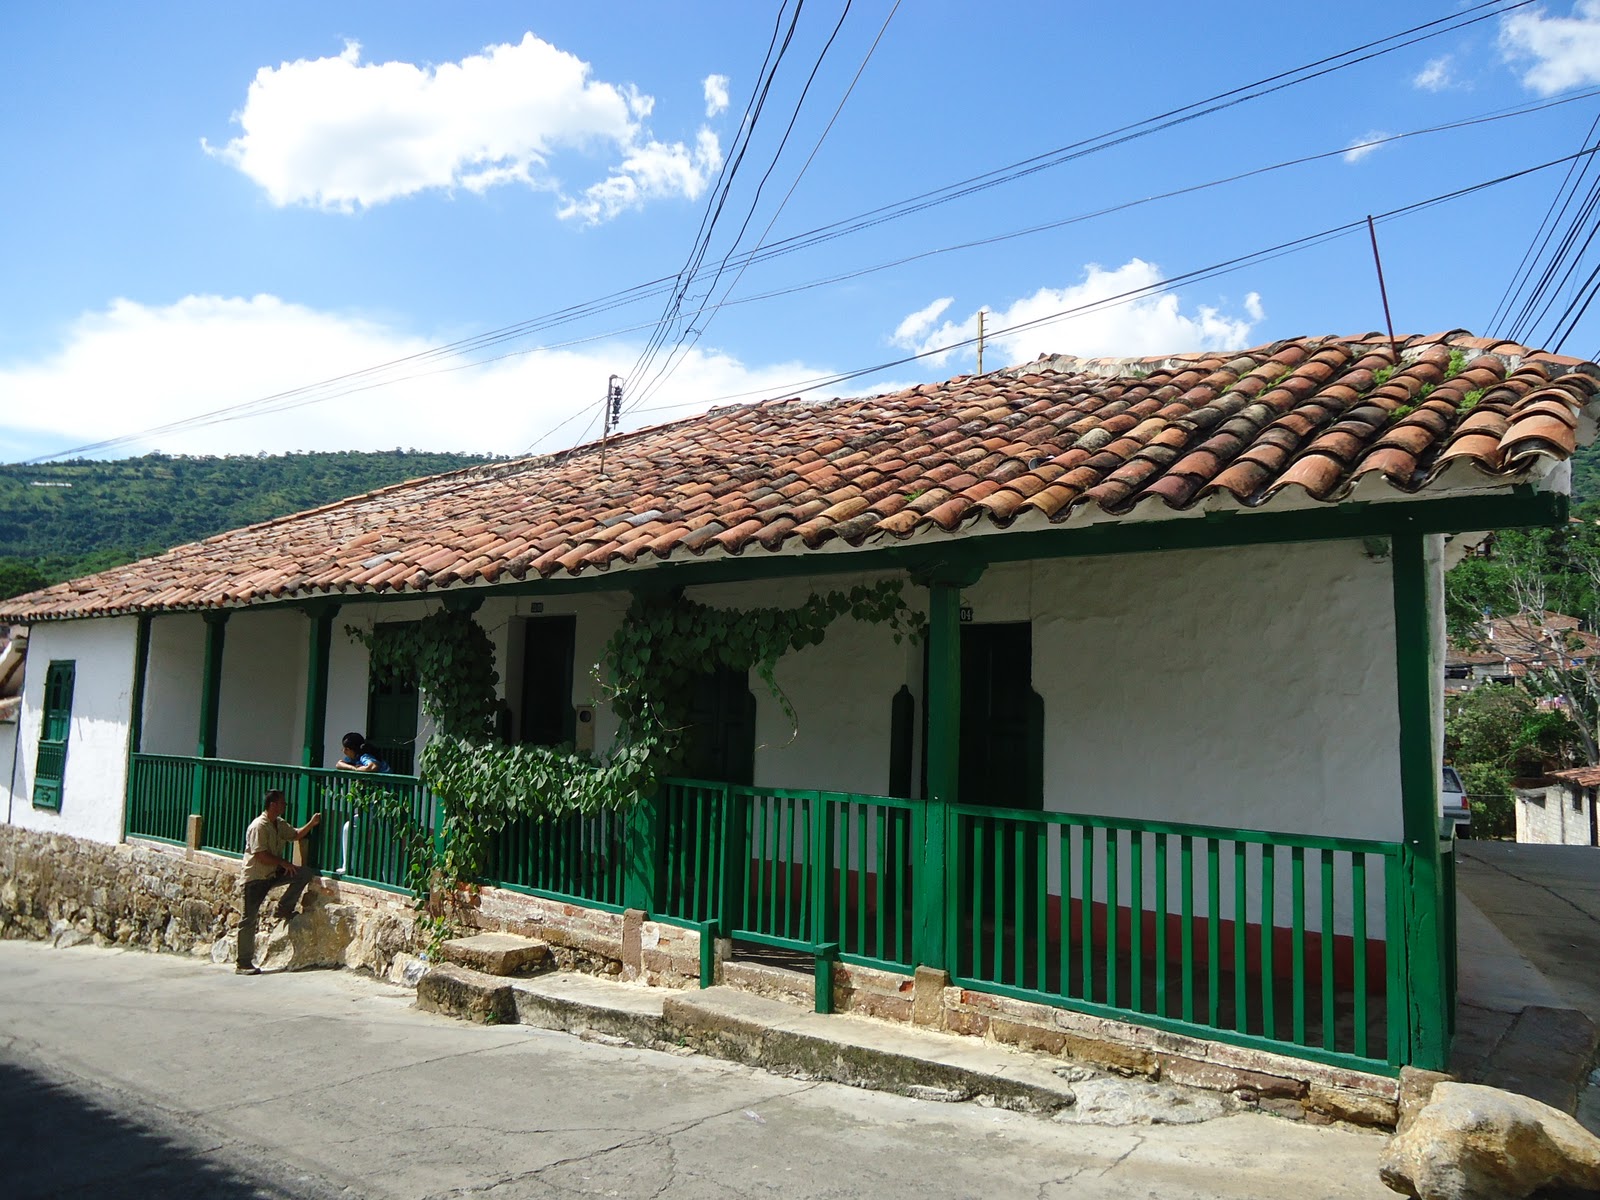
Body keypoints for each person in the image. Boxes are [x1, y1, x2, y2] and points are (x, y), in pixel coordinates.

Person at [236, 789, 321, 975]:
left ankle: (284, 908)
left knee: (303, 874)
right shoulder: (259, 826)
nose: (285, 806)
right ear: (273, 805)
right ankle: (243, 963)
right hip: (256, 878)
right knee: (249, 919)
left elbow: (295, 834)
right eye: (282, 803)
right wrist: (283, 863)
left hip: (273, 873)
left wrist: (312, 823)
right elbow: (260, 855)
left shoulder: (279, 824)